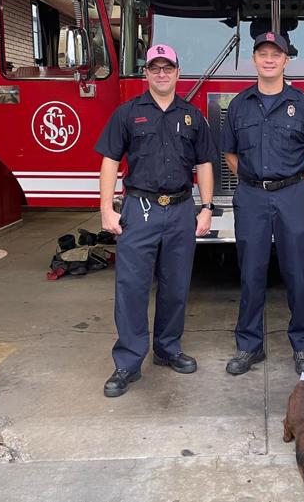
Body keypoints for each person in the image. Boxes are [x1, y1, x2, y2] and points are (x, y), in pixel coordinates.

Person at [95, 44, 218, 397]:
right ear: (146, 73)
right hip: (139, 208)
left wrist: (206, 207)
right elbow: (109, 160)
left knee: (176, 285)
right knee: (131, 287)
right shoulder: (127, 114)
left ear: (178, 73)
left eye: (168, 68)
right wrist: (106, 207)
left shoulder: (193, 116)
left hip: (181, 209)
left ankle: (168, 349)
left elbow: (206, 163)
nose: (162, 73)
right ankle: (128, 362)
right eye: (155, 68)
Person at [221, 32, 304, 376]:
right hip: (251, 195)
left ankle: (302, 345)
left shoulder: (302, 103)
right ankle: (249, 346)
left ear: (286, 60)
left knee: (297, 272)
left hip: (292, 195)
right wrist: (258, 183)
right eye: (263, 53)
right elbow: (230, 154)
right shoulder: (238, 105)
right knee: (251, 272)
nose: (269, 59)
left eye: (276, 54)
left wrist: (291, 185)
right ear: (253, 60)